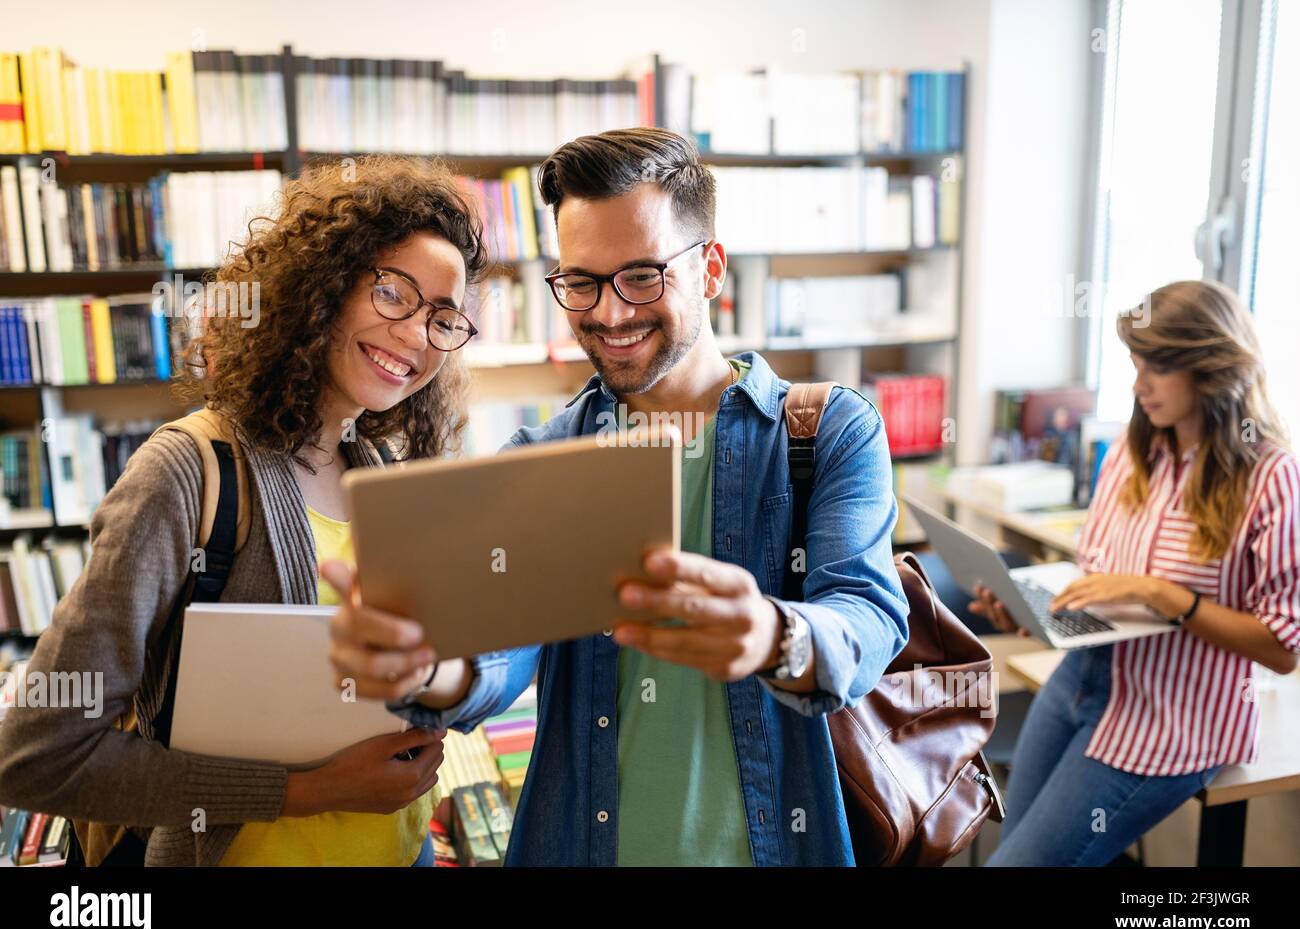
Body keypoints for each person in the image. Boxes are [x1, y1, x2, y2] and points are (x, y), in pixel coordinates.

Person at [323, 128, 910, 866]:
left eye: (641, 276)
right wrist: (431, 669)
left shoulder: (824, 432)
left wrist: (772, 634)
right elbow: (502, 647)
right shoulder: (543, 462)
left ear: (712, 269)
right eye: (582, 282)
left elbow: (868, 616)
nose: (607, 313)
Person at [0, 155, 483, 866]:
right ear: (320, 287)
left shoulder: (380, 473)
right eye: (392, 293)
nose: (416, 336)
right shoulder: (185, 474)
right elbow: (37, 754)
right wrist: (309, 790)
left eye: (444, 317)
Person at [978, 279, 1300, 866]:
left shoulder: (1270, 475)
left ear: (1209, 366)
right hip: (1078, 683)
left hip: (1174, 721)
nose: (1138, 384)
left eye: (1156, 367)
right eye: (1134, 364)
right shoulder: (1132, 452)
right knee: (1011, 849)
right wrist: (1032, 615)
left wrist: (1162, 594)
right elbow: (1101, 583)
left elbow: (1281, 647)